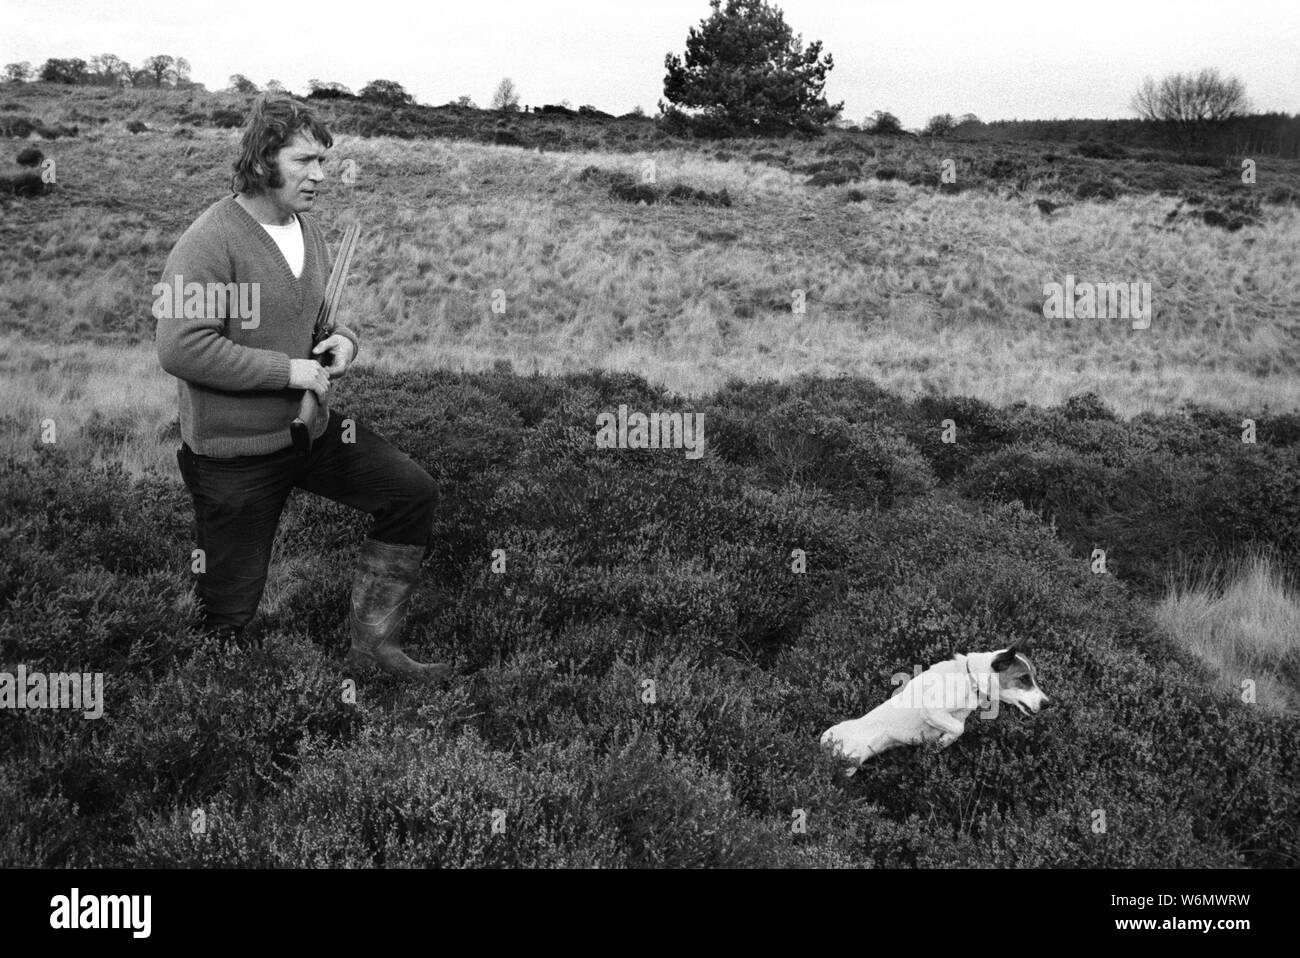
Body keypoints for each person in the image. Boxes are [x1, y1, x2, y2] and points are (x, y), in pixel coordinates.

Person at [155, 94, 448, 680]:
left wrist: (343, 341)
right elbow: (181, 346)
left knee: (411, 493)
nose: (321, 176)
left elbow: (312, 322)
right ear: (264, 159)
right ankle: (214, 709)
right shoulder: (211, 241)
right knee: (227, 616)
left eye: (325, 162)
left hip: (309, 433)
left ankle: (375, 652)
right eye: (305, 161)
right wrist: (287, 372)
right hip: (233, 455)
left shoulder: (308, 233)